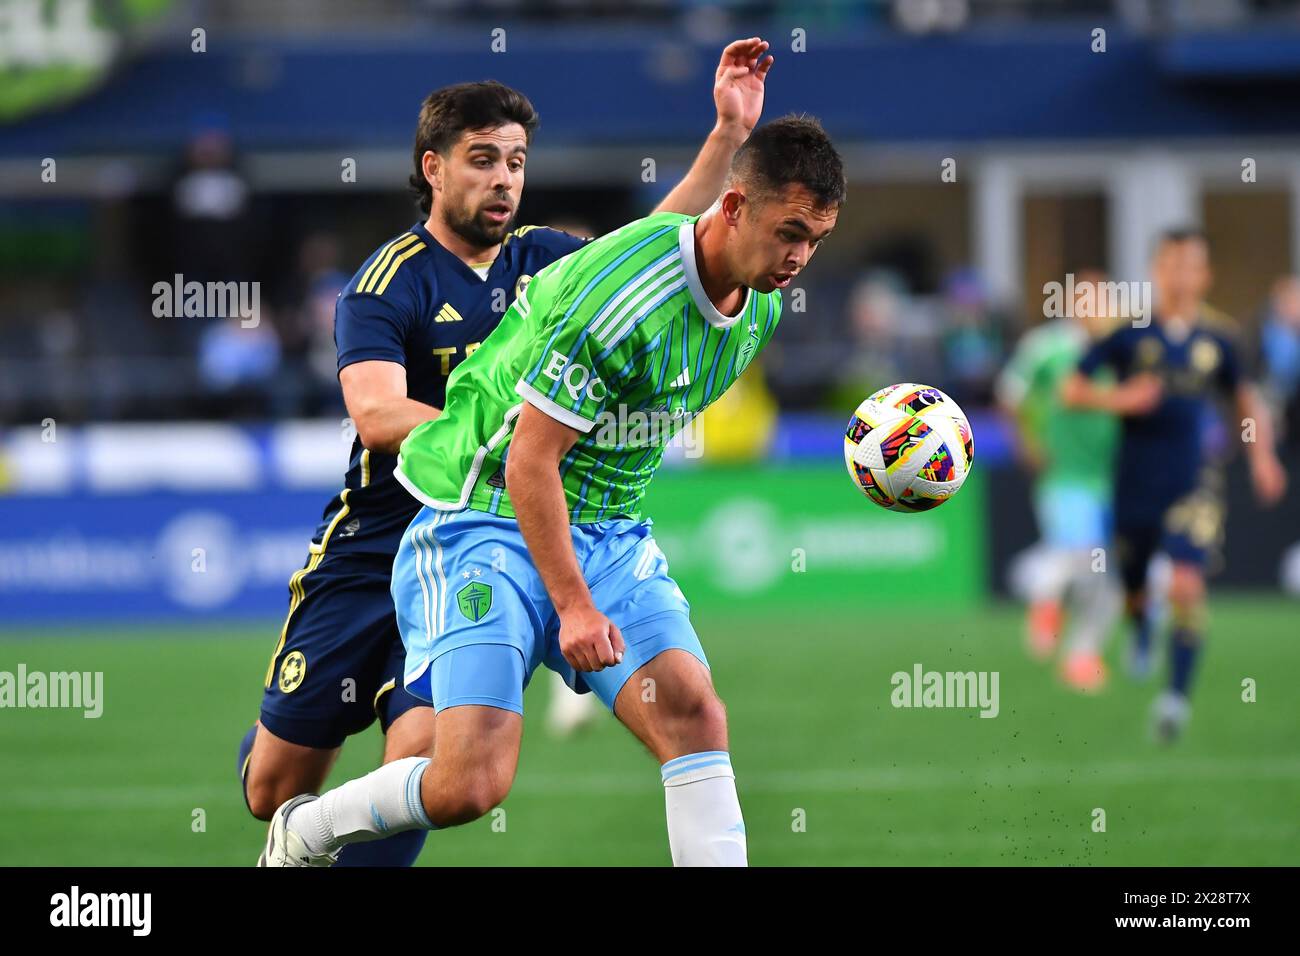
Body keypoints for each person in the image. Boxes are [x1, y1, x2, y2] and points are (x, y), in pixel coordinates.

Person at [240, 38, 777, 866]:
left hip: (486, 536)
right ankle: (290, 810)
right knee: (273, 788)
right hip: (379, 538)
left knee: (432, 773)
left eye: (517, 162)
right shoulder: (389, 283)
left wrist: (726, 134)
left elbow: (662, 247)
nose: (504, 179)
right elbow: (376, 413)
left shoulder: (545, 259)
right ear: (434, 168)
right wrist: (496, 437)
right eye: (483, 160)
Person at [1061, 229, 1286, 740]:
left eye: (1192, 266)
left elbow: (1246, 399)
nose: (1182, 275)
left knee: (1186, 582)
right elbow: (1070, 389)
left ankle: (1175, 700)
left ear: (1205, 275)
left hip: (1194, 481)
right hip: (1135, 482)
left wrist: (1263, 457)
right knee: (1135, 586)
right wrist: (1121, 400)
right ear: (1157, 271)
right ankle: (1141, 629)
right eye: (1172, 265)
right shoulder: (1130, 334)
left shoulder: (1222, 338)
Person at [996, 269, 1120, 691]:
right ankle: (1045, 600)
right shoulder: (1046, 348)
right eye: (1086, 299)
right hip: (1065, 475)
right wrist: (1026, 444)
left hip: (1114, 478)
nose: (1096, 308)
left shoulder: (1122, 350)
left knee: (1112, 577)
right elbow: (1009, 394)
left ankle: (1082, 656)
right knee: (1081, 555)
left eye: (1102, 299)